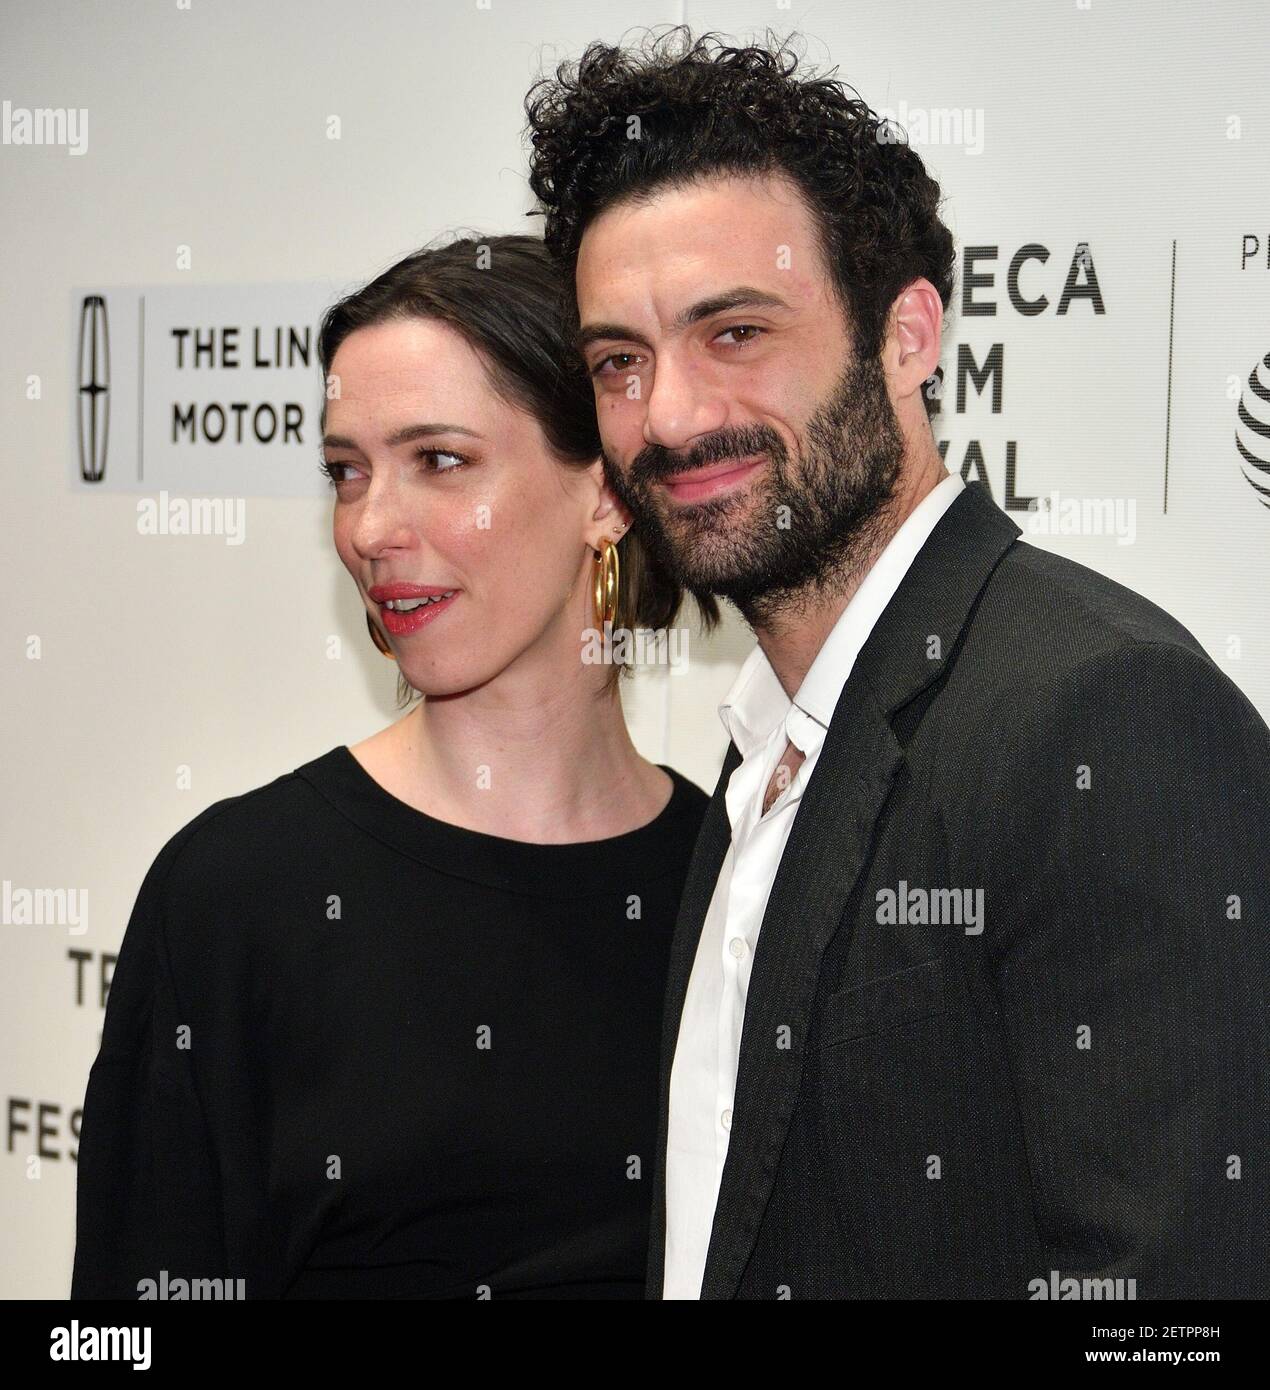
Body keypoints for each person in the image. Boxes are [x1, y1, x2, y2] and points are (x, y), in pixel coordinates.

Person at [524, 28, 1270, 1299]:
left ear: (909, 336)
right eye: (619, 362)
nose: (672, 417)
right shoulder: (766, 742)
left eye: (737, 331)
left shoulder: (1103, 711)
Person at [71, 233, 716, 1300]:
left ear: (605, 493)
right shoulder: (237, 892)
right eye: (345, 471)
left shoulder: (732, 886)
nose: (370, 528)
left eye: (440, 460)